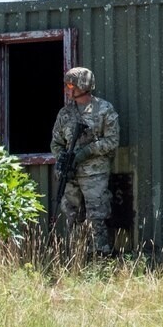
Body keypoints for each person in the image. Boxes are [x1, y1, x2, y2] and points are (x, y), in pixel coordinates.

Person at [51, 66, 120, 254]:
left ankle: (101, 255)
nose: (67, 88)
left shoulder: (104, 109)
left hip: (94, 173)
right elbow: (56, 143)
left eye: (70, 84)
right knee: (72, 214)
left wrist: (86, 152)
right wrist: (62, 158)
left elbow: (112, 141)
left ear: (82, 85)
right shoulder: (65, 114)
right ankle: (77, 255)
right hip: (70, 174)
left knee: (97, 215)